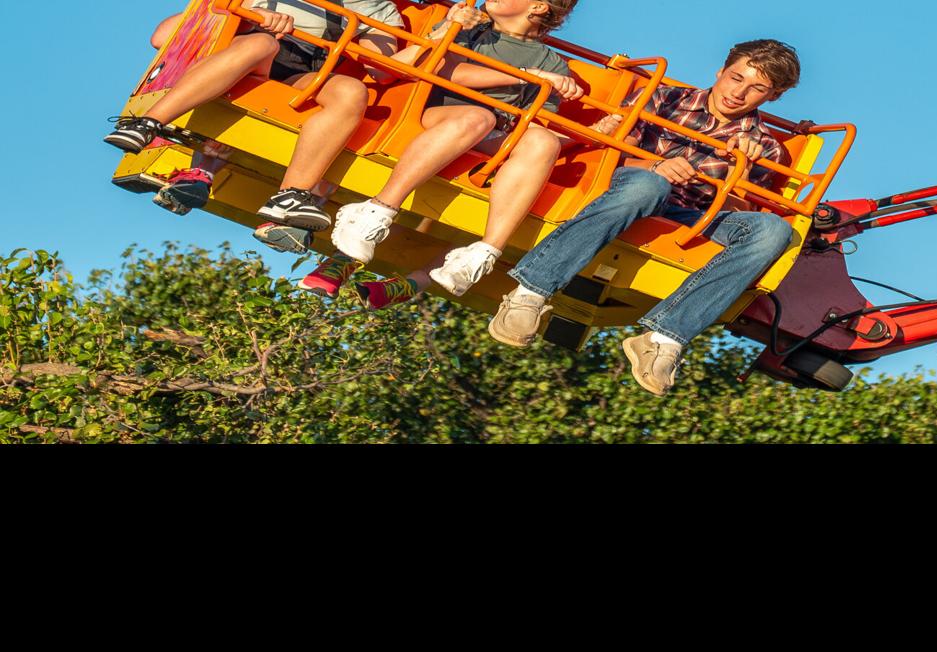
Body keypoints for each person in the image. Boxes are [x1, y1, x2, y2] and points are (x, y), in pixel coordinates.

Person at [490, 39, 801, 397]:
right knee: (650, 186)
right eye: (735, 78)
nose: (739, 93)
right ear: (721, 71)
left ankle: (664, 338)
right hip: (633, 186)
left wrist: (740, 171)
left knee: (774, 230)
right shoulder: (663, 98)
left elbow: (742, 211)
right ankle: (529, 293)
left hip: (695, 212)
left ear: (773, 96)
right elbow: (608, 155)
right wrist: (657, 166)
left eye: (757, 88)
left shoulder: (765, 146)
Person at [311, 0, 584, 302]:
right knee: (478, 117)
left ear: (538, 8)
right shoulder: (468, 25)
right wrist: (526, 75)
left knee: (543, 141)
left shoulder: (551, 63)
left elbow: (536, 125)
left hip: (493, 134)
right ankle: (375, 214)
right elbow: (446, 69)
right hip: (437, 111)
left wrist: (591, 136)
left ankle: (484, 253)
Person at [104, 0, 402, 242]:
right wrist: (251, 17)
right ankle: (146, 123)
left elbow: (383, 68)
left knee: (351, 90)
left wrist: (377, 38)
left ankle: (292, 196)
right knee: (261, 44)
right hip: (244, 54)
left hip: (303, 74)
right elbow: (164, 35)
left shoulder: (375, 5)